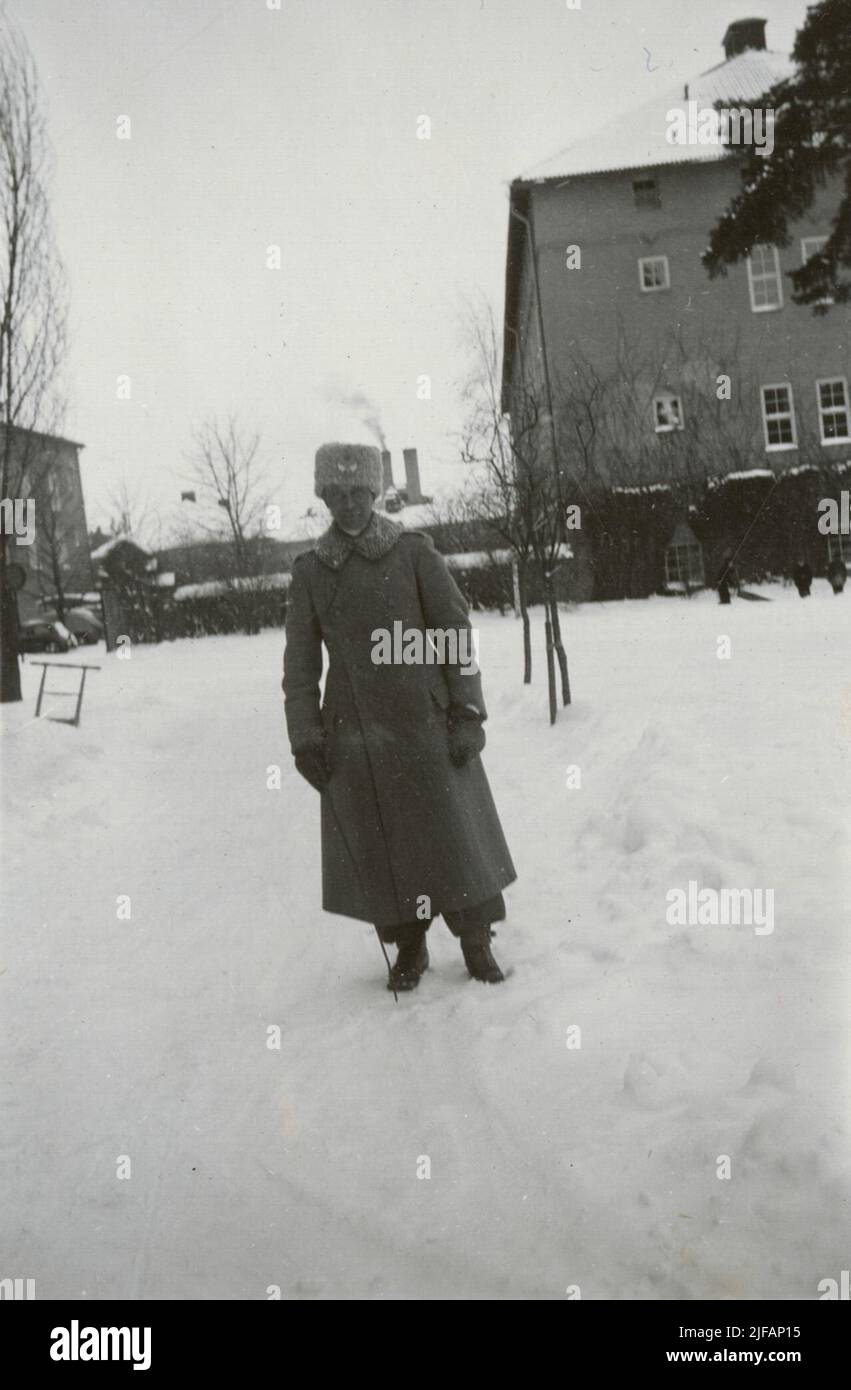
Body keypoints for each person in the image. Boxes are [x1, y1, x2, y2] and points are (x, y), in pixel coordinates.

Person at [282, 443, 517, 993]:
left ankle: (475, 939)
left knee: (453, 833)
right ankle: (408, 944)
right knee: (380, 840)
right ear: (323, 497)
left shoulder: (413, 553)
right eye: (335, 495)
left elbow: (454, 631)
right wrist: (305, 737)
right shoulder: (311, 571)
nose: (348, 505)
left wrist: (466, 710)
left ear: (375, 492)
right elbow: (298, 667)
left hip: (426, 721)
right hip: (357, 732)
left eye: (358, 492)